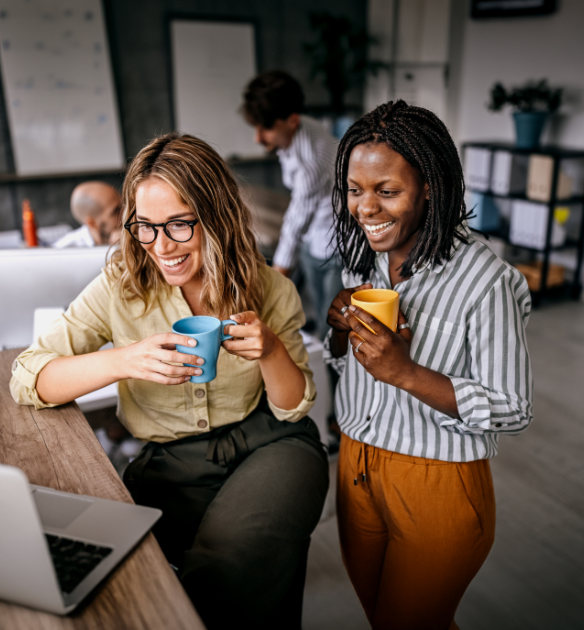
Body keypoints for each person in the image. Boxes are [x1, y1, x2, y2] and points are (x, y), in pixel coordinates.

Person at [11, 133, 329, 630]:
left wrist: (270, 350)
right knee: (120, 572)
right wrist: (123, 360)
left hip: (272, 444)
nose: (161, 247)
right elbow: (28, 376)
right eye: (144, 226)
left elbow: (292, 407)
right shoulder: (121, 287)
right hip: (170, 461)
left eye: (179, 225)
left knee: (226, 562)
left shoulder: (270, 288)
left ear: (216, 216)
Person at [325, 101, 533, 630]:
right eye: (355, 189)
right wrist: (338, 329)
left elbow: (512, 408)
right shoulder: (369, 254)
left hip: (438, 482)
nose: (365, 209)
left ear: (430, 189)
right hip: (356, 467)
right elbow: (348, 364)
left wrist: (407, 373)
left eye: (386, 191)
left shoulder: (488, 282)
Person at [241, 70, 343, 339]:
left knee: (333, 323)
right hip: (313, 237)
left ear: (292, 120)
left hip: (336, 247)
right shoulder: (296, 128)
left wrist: (275, 281)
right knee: (318, 308)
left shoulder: (312, 162)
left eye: (266, 128)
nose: (258, 138)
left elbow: (295, 224)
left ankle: (332, 370)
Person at [53, 181, 121, 247]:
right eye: (116, 211)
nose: (125, 213)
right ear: (92, 223)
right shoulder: (64, 252)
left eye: (124, 205)